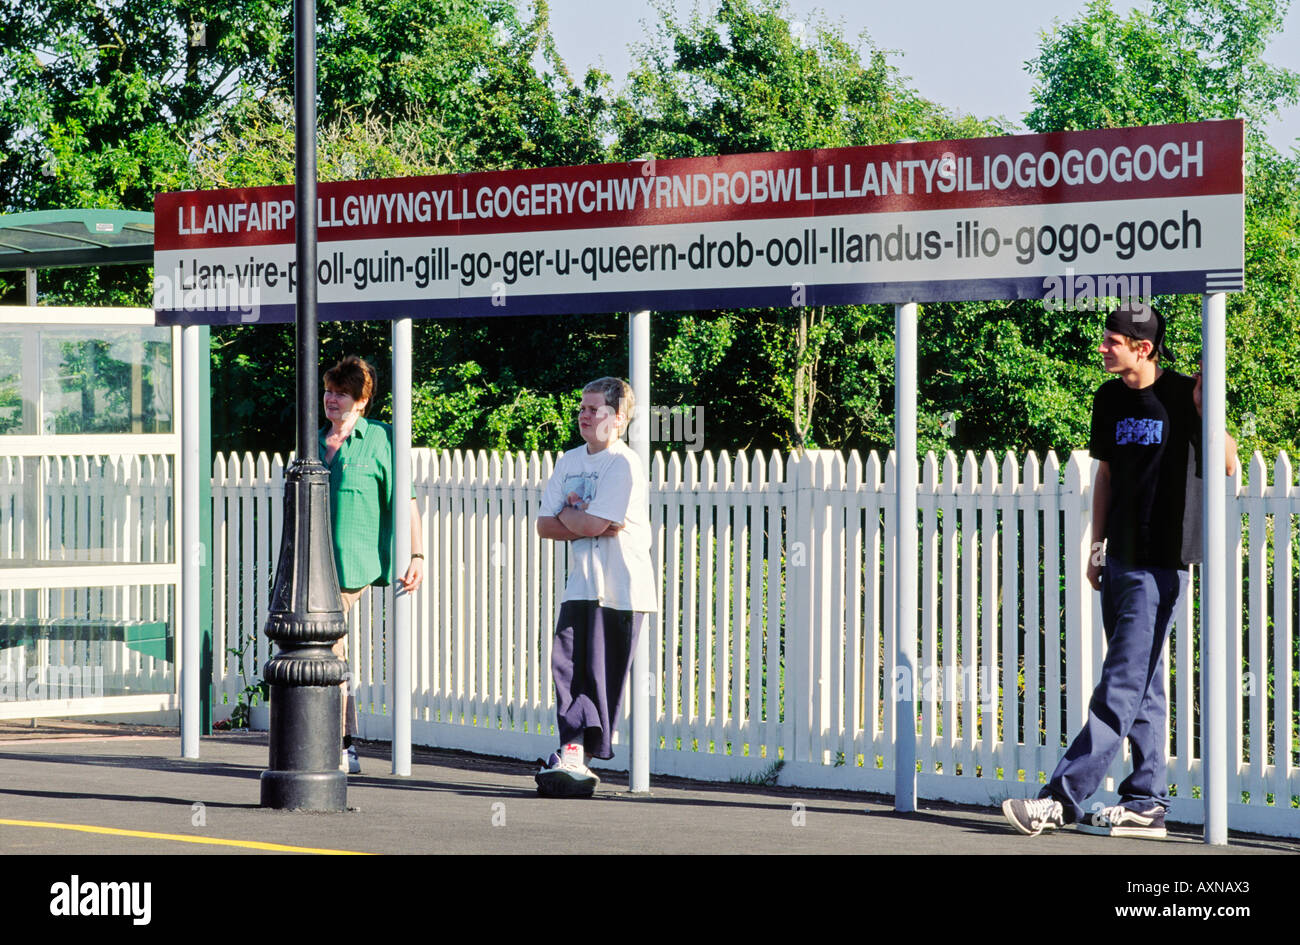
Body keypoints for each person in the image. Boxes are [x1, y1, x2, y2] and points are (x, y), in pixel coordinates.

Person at [1002, 303, 1236, 839]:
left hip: (1162, 563)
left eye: (1113, 341)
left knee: (1121, 683)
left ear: (1143, 348)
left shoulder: (1183, 394)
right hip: (1122, 559)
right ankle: (1145, 802)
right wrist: (1097, 545)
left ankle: (1060, 800)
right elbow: (1105, 474)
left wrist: (1208, 407)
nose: (1103, 348)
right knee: (1144, 684)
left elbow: (1227, 462)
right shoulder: (1107, 399)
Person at [533, 377, 657, 797]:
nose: (583, 416)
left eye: (594, 410)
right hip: (580, 586)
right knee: (566, 665)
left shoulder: (623, 464)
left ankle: (579, 756)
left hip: (621, 588)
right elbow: (544, 526)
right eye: (582, 408)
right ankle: (572, 752)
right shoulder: (568, 461)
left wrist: (576, 515)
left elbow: (584, 523)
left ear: (618, 419)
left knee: (600, 675)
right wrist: (581, 516)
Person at [321, 356, 424, 774]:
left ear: (361, 401)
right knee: (327, 654)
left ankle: (343, 745)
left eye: (341, 393)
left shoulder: (381, 439)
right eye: (328, 390)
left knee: (329, 653)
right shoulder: (313, 441)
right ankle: (336, 742)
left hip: (353, 566)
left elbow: (406, 499)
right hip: (313, 565)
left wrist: (416, 553)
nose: (331, 399)